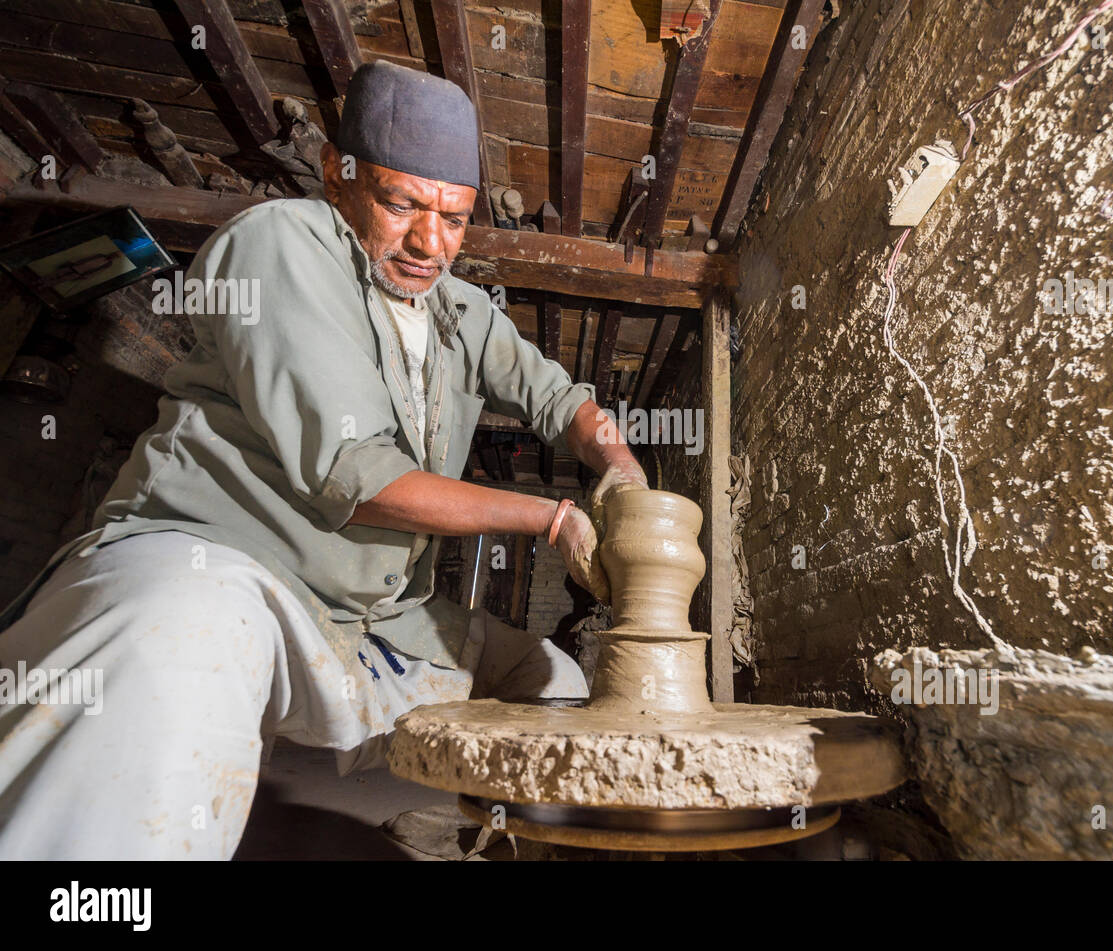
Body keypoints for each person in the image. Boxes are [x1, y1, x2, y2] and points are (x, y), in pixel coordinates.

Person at [0, 60, 647, 859]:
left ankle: (495, 836)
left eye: (454, 215)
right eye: (402, 202)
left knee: (558, 684)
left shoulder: (456, 310)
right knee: (166, 650)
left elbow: (560, 400)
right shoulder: (279, 249)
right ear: (341, 179)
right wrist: (552, 517)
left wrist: (624, 476)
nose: (429, 242)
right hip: (227, 566)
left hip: (379, 618)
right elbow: (359, 472)